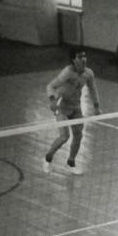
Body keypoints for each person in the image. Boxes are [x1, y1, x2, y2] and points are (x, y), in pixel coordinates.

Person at [43, 47, 100, 175]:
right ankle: (48, 158)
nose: (84, 59)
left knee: (78, 135)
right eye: (80, 57)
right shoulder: (67, 72)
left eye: (85, 56)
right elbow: (51, 86)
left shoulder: (88, 73)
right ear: (73, 60)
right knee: (64, 137)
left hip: (76, 107)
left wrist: (96, 106)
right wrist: (52, 100)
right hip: (62, 107)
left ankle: (71, 162)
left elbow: (93, 89)